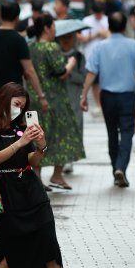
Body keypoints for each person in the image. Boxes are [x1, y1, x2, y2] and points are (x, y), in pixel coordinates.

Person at [0, 83, 66, 268]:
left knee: (47, 235)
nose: (19, 109)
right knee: (13, 243)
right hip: (6, 191)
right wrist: (21, 142)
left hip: (31, 189)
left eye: (23, 106)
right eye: (16, 104)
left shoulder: (22, 129)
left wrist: (41, 146)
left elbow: (32, 161)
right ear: (4, 101)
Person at [80, 12, 135, 188]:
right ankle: (121, 167)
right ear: (124, 25)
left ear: (109, 27)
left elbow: (91, 73)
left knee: (112, 133)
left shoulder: (100, 47)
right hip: (127, 96)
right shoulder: (133, 45)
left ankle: (115, 169)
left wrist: (84, 95)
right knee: (127, 133)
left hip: (107, 97)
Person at [25, 15, 85, 190]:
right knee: (64, 135)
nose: (55, 32)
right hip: (55, 99)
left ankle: (37, 176)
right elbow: (61, 73)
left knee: (38, 135)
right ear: (46, 28)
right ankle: (57, 175)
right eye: (54, 28)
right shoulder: (52, 47)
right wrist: (72, 63)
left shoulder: (30, 47)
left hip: (34, 99)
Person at [0, 1, 48, 115]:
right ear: (17, 17)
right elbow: (29, 71)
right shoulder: (19, 40)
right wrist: (41, 96)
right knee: (14, 129)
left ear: (1, 16)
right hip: (15, 98)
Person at [57, 24, 86, 151]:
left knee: (75, 128)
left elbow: (83, 78)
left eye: (69, 38)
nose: (66, 41)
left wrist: (69, 72)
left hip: (74, 99)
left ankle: (71, 158)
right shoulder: (55, 55)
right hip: (57, 99)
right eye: (63, 38)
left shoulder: (79, 57)